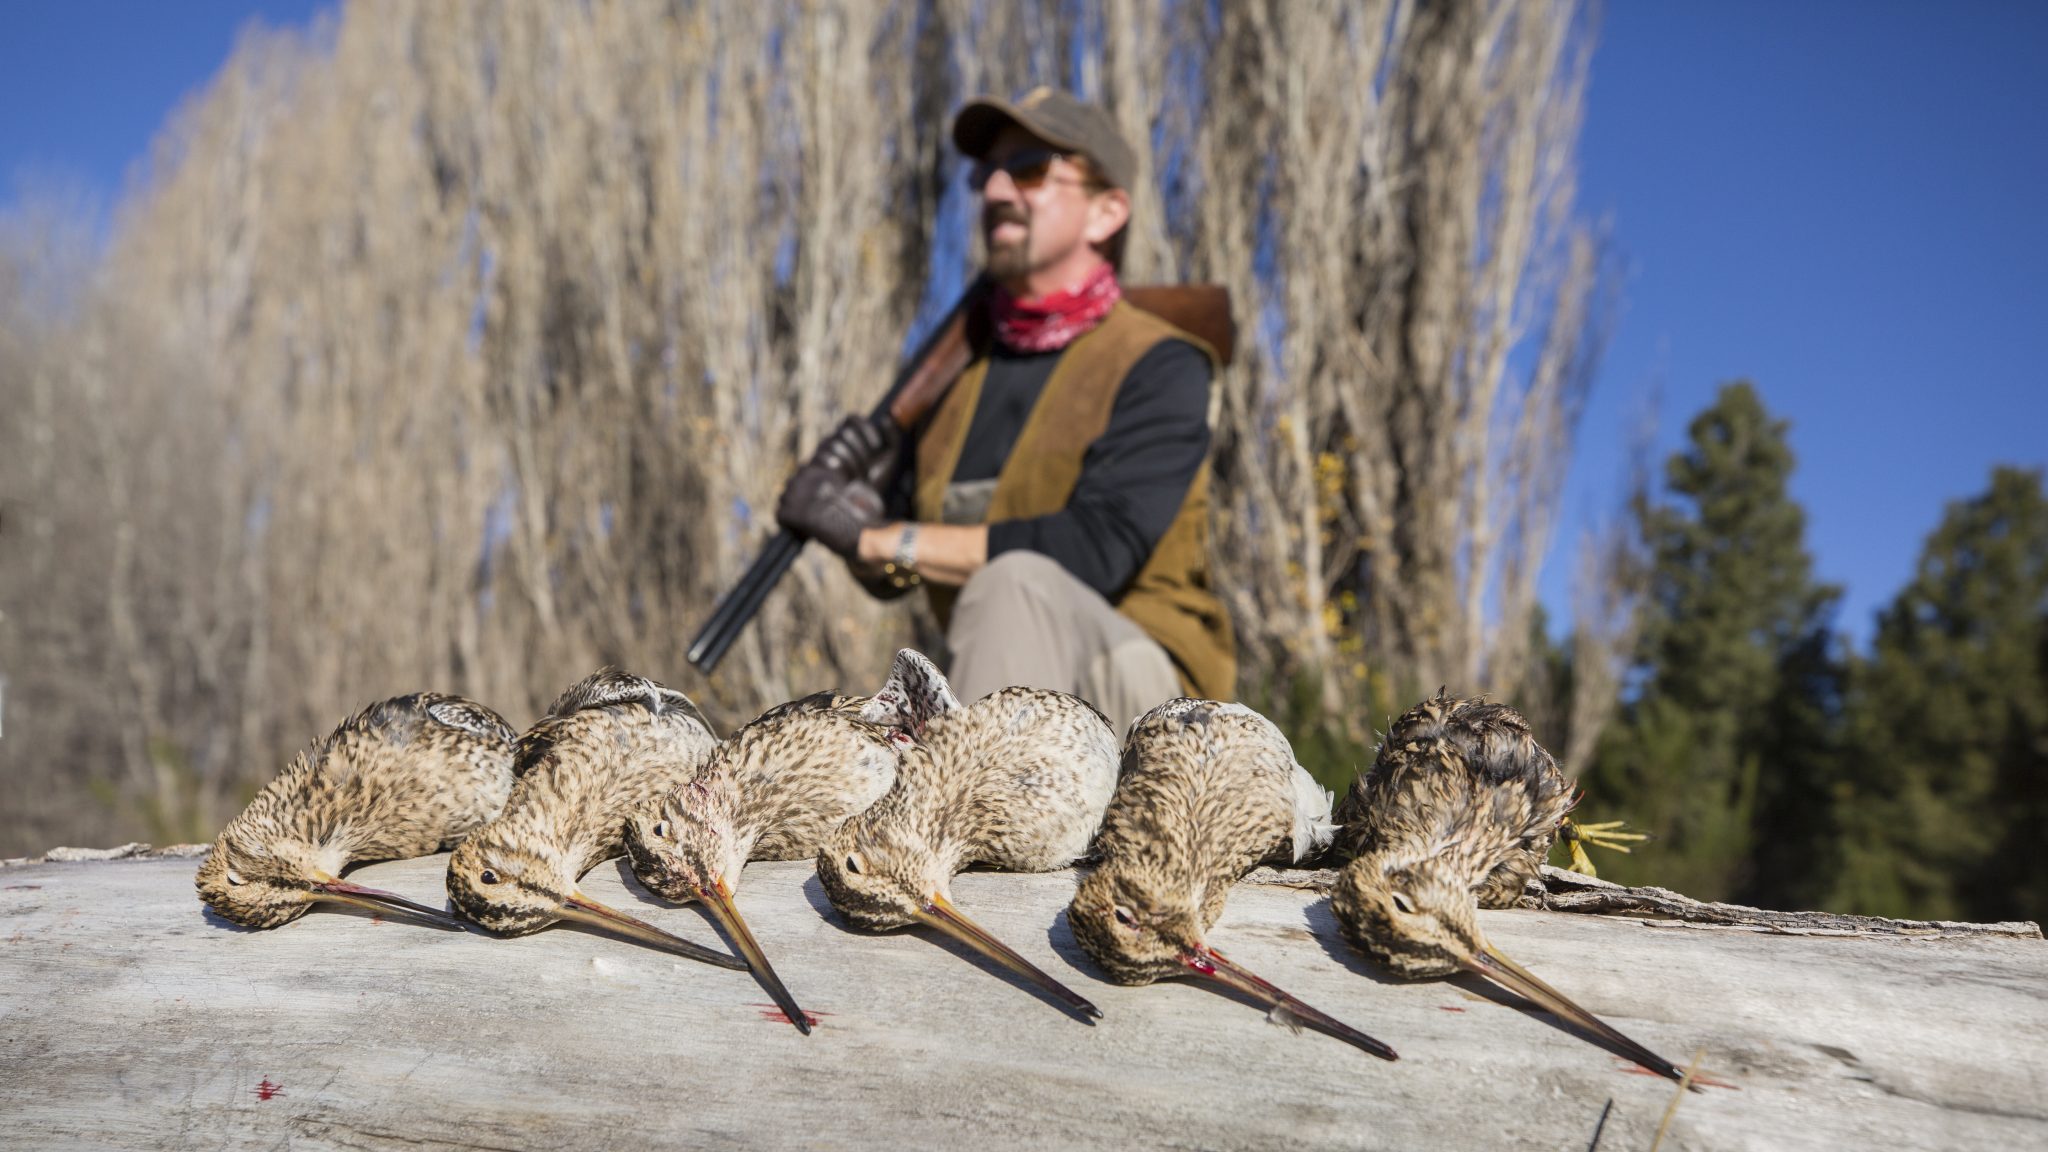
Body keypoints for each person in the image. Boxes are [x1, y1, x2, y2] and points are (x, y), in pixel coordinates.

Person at [775, 87, 1235, 732]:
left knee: (1013, 584)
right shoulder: (952, 379)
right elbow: (898, 565)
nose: (993, 191)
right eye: (983, 173)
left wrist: (882, 540)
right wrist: (850, 521)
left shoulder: (1163, 362)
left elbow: (1096, 549)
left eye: (1029, 169)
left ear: (1106, 213)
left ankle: (966, 826)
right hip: (1010, 683)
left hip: (1154, 702)